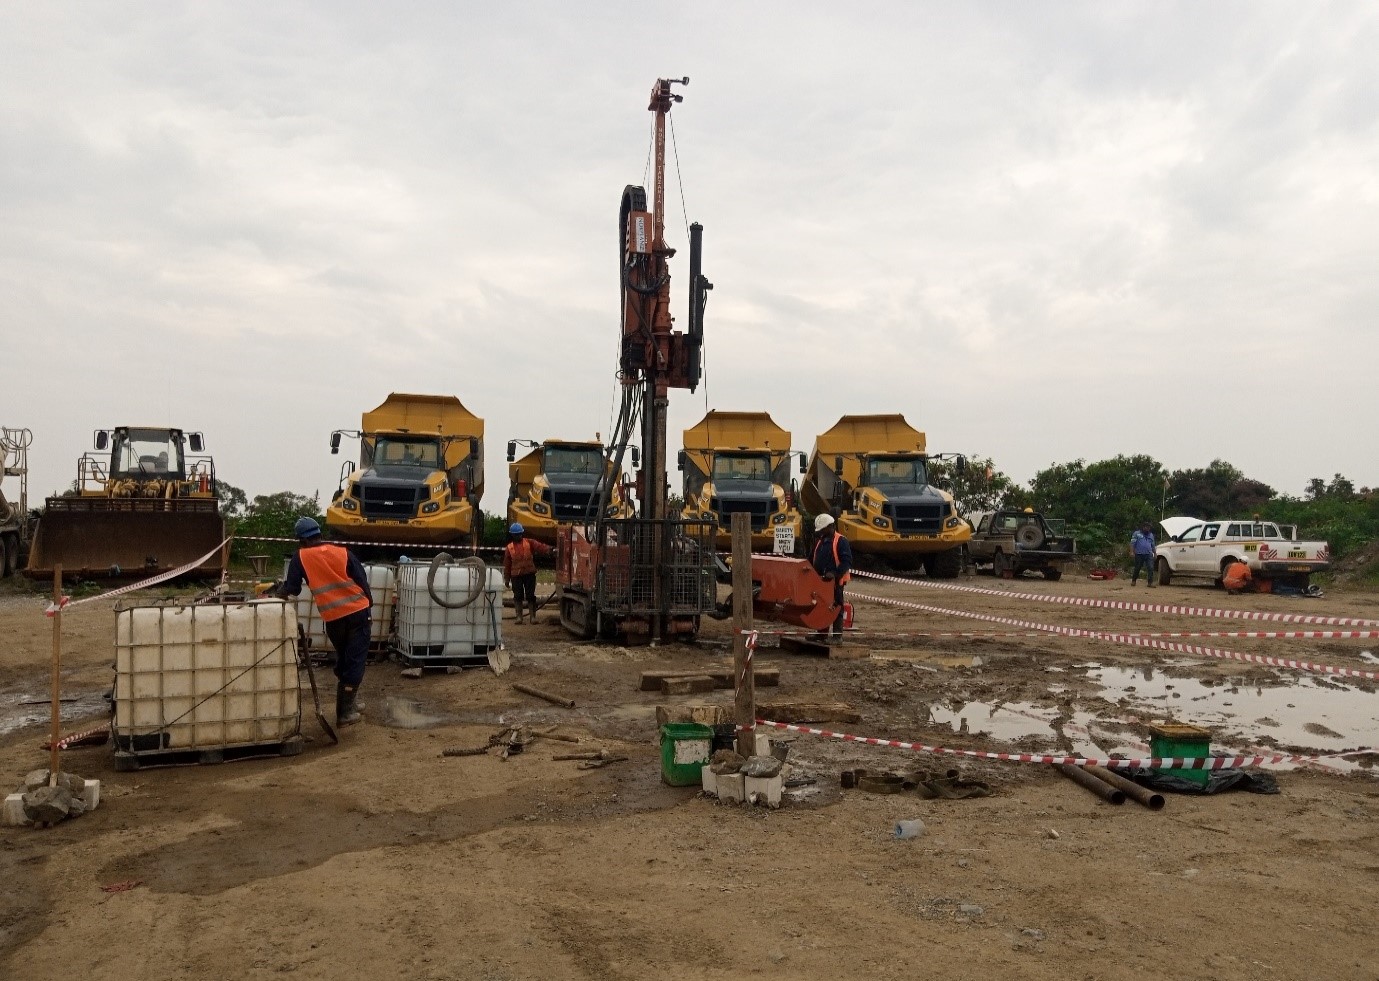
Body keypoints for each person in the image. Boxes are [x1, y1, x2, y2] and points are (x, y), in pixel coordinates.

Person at [272, 517, 372, 726]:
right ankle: (345, 712)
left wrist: (277, 592)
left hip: (334, 619)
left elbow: (293, 588)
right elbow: (362, 580)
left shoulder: (300, 557)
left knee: (345, 658)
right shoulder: (342, 552)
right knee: (355, 660)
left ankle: (348, 704)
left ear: (301, 540)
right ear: (319, 534)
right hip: (357, 613)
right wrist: (368, 604)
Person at [810, 513, 852, 641]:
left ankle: (837, 636)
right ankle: (821, 634)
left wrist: (834, 574)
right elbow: (811, 558)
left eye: (823, 529)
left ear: (831, 526)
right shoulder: (820, 541)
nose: (821, 532)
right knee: (821, 606)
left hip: (836, 581)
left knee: (836, 606)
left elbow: (846, 561)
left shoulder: (841, 541)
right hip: (821, 580)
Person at [503, 522, 552, 624]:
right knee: (518, 596)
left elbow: (540, 547)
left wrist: (549, 550)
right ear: (512, 535)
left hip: (529, 574)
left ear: (522, 533)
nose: (518, 536)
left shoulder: (529, 542)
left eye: (520, 534)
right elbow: (507, 564)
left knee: (530, 596)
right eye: (516, 535)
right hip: (516, 576)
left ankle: (532, 617)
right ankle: (519, 617)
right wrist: (507, 579)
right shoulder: (509, 548)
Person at [1130, 522, 1157, 587]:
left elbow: (1153, 545)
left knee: (1150, 568)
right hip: (1139, 554)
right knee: (1137, 567)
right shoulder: (1137, 534)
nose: (1147, 528)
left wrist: (1155, 553)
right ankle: (1134, 580)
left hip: (1148, 554)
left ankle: (1150, 583)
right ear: (1143, 527)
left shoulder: (1151, 535)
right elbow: (1132, 543)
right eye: (1146, 527)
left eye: (1148, 527)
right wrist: (1131, 552)